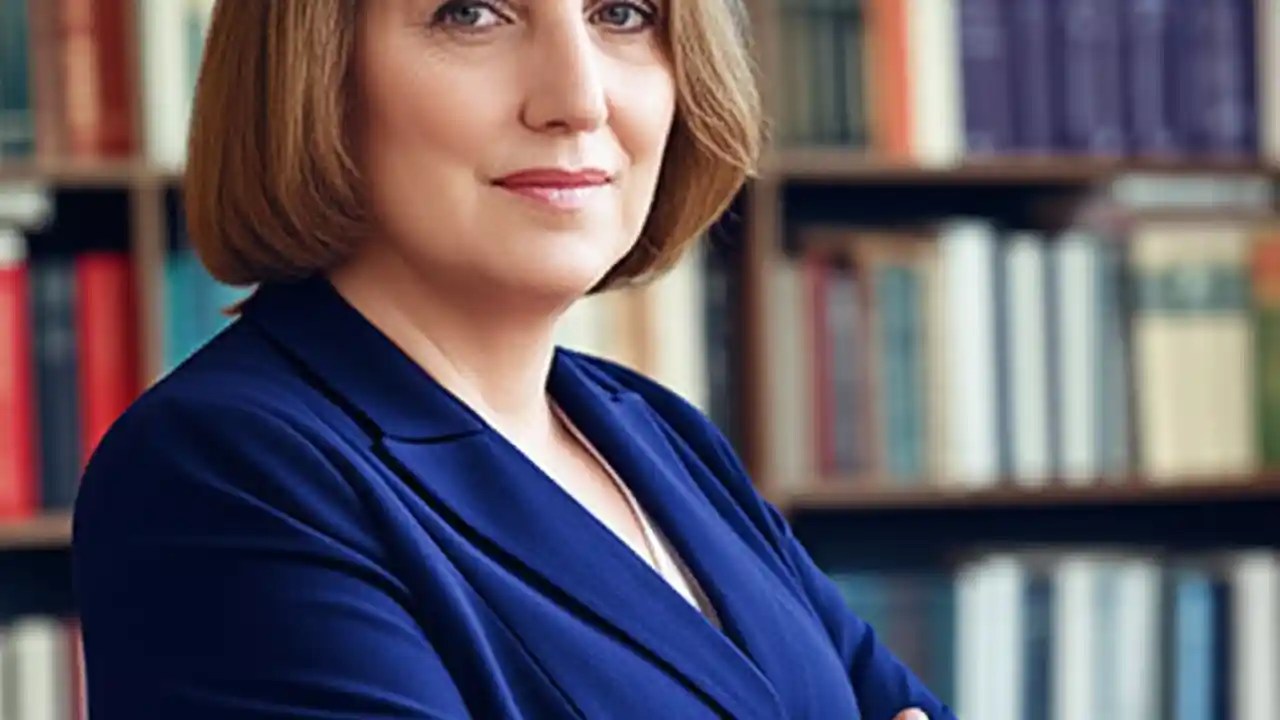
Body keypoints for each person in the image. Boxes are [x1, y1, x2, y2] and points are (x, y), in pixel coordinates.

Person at [71, 1, 954, 718]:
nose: (579, 97)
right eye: (471, 13)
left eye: (622, 13)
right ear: (313, 74)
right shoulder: (221, 471)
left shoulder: (658, 435)